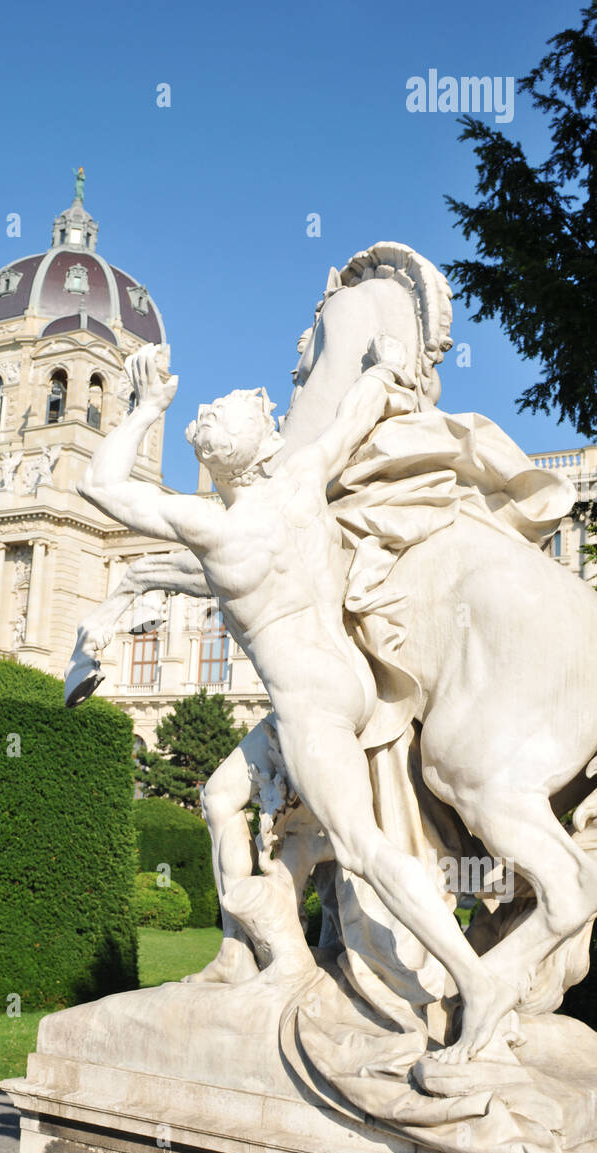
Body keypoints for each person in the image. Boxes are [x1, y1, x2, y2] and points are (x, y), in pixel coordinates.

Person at [79, 340, 515, 1061]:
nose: (211, 415)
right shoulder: (302, 479)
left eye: (217, 418)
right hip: (342, 684)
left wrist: (146, 408)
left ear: (233, 456)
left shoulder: (214, 526)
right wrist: (380, 364)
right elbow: (354, 408)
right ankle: (241, 948)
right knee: (221, 797)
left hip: (311, 706)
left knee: (361, 848)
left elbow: (102, 488)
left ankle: (477, 981)